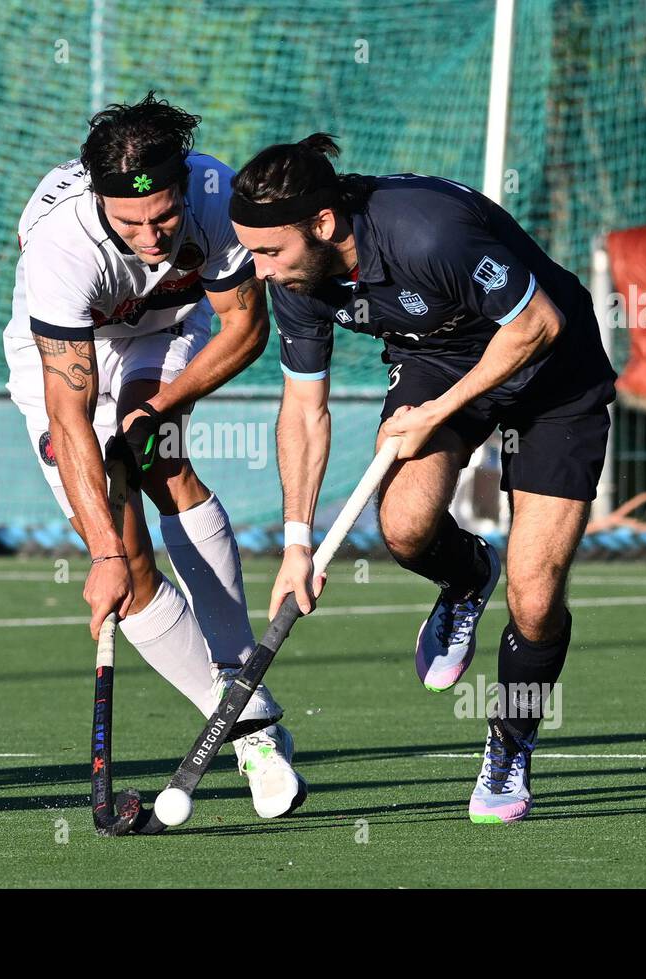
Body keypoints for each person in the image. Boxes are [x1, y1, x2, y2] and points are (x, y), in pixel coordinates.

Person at [229, 134, 618, 823]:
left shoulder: (425, 232)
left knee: (534, 597)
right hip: (438, 356)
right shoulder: (297, 277)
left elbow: (537, 322)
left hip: (554, 372)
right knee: (405, 525)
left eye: (269, 251)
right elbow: (304, 410)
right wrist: (296, 544)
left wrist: (437, 411)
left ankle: (510, 745)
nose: (258, 272)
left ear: (323, 224)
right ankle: (466, 576)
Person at [2, 94, 305, 818]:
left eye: (163, 216)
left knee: (159, 461)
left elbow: (244, 330)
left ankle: (244, 704)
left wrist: (158, 406)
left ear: (183, 186)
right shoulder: (61, 249)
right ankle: (248, 716)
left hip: (165, 337)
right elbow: (69, 412)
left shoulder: (215, 196)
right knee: (123, 549)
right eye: (129, 221)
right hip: (61, 359)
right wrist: (103, 552)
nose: (150, 234)